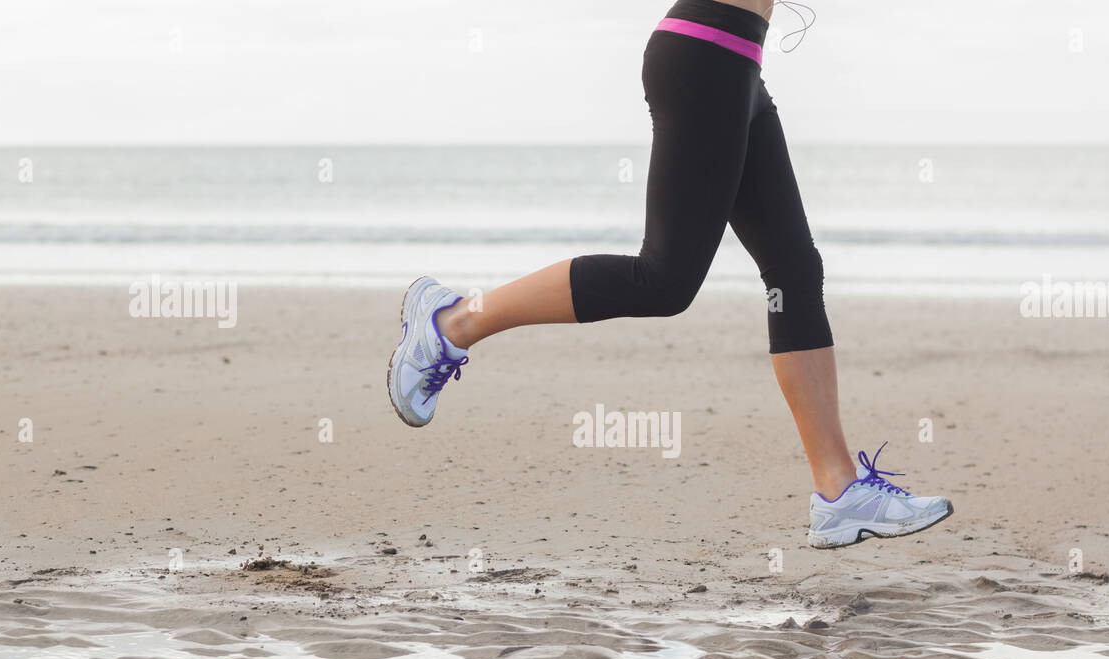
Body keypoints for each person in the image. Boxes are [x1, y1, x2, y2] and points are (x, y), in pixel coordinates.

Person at [387, 0, 952, 548]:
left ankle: (839, 492)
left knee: (795, 268)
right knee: (664, 280)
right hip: (706, 57)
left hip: (736, 63)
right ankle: (453, 324)